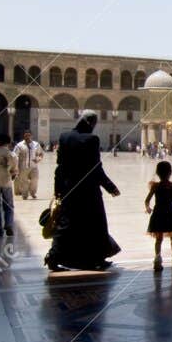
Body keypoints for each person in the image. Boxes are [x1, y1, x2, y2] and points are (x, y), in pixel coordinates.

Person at [45, 111, 121, 272]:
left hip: (68, 190)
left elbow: (60, 168)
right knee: (95, 225)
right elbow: (96, 168)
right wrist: (110, 187)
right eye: (94, 123)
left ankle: (53, 257)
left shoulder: (64, 137)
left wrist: (57, 190)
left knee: (66, 224)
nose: (94, 127)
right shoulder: (92, 139)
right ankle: (97, 258)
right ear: (89, 122)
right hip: (89, 191)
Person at [145, 159, 172, 270]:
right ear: (170, 173)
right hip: (170, 214)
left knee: (158, 239)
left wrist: (148, 208)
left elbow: (147, 200)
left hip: (158, 214)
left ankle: (157, 259)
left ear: (158, 173)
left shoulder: (155, 186)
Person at [13, 129, 43, 200]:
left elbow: (41, 154)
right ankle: (25, 194)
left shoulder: (36, 144)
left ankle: (33, 193)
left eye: (29, 135)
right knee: (24, 182)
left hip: (34, 166)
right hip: (23, 167)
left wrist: (38, 159)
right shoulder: (19, 145)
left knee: (35, 180)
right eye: (26, 135)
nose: (27, 137)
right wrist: (15, 167)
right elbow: (14, 155)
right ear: (24, 136)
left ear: (31, 136)